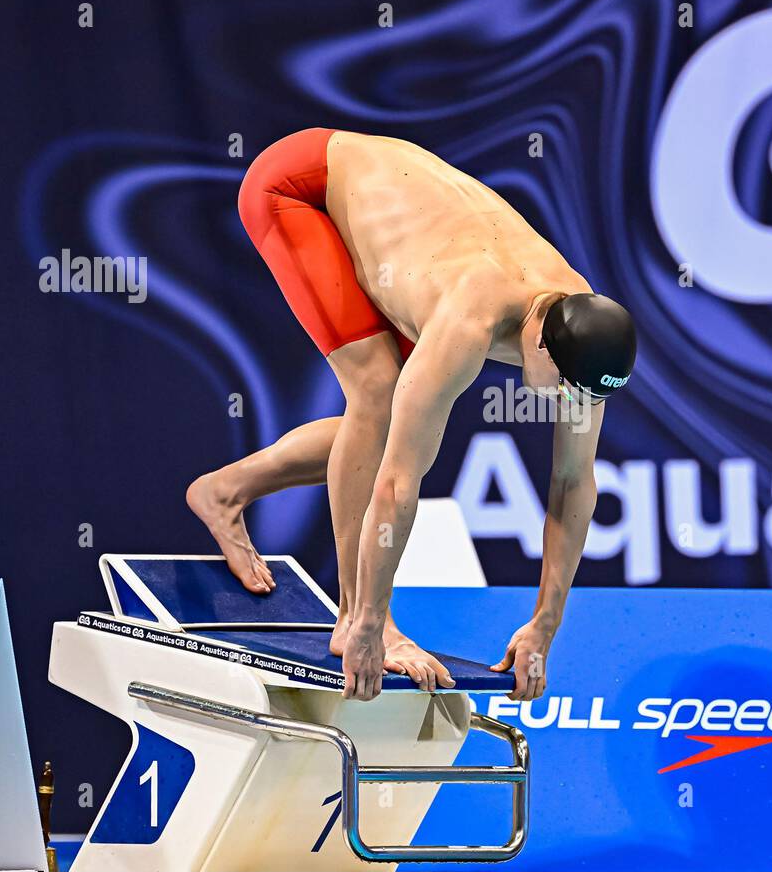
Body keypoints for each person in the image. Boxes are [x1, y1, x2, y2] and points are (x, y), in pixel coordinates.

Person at [187, 128, 635, 701]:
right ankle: (348, 614)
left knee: (396, 425)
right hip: (300, 187)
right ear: (542, 347)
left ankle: (226, 489)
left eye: (588, 398)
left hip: (404, 221)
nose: (574, 406)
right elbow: (398, 484)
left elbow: (574, 483)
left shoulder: (580, 330)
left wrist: (545, 625)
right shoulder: (469, 320)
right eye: (571, 392)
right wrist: (373, 623)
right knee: (377, 392)